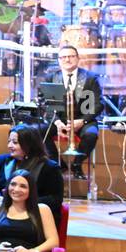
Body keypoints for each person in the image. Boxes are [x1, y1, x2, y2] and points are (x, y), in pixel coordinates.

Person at [41, 43, 102, 176]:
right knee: (37, 131)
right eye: (63, 57)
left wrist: (82, 121)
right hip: (58, 119)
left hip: (83, 118)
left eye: (71, 56)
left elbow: (98, 104)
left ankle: (76, 164)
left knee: (91, 134)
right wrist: (57, 122)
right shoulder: (50, 78)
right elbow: (45, 104)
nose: (67, 60)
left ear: (78, 58)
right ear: (58, 60)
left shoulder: (91, 78)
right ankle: (58, 165)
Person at [0, 124, 64, 225]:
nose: (9, 146)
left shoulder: (49, 167)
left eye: (15, 142)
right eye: (9, 141)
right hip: (3, 211)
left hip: (34, 215)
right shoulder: (2, 161)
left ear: (29, 144)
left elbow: (55, 198)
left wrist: (23, 202)